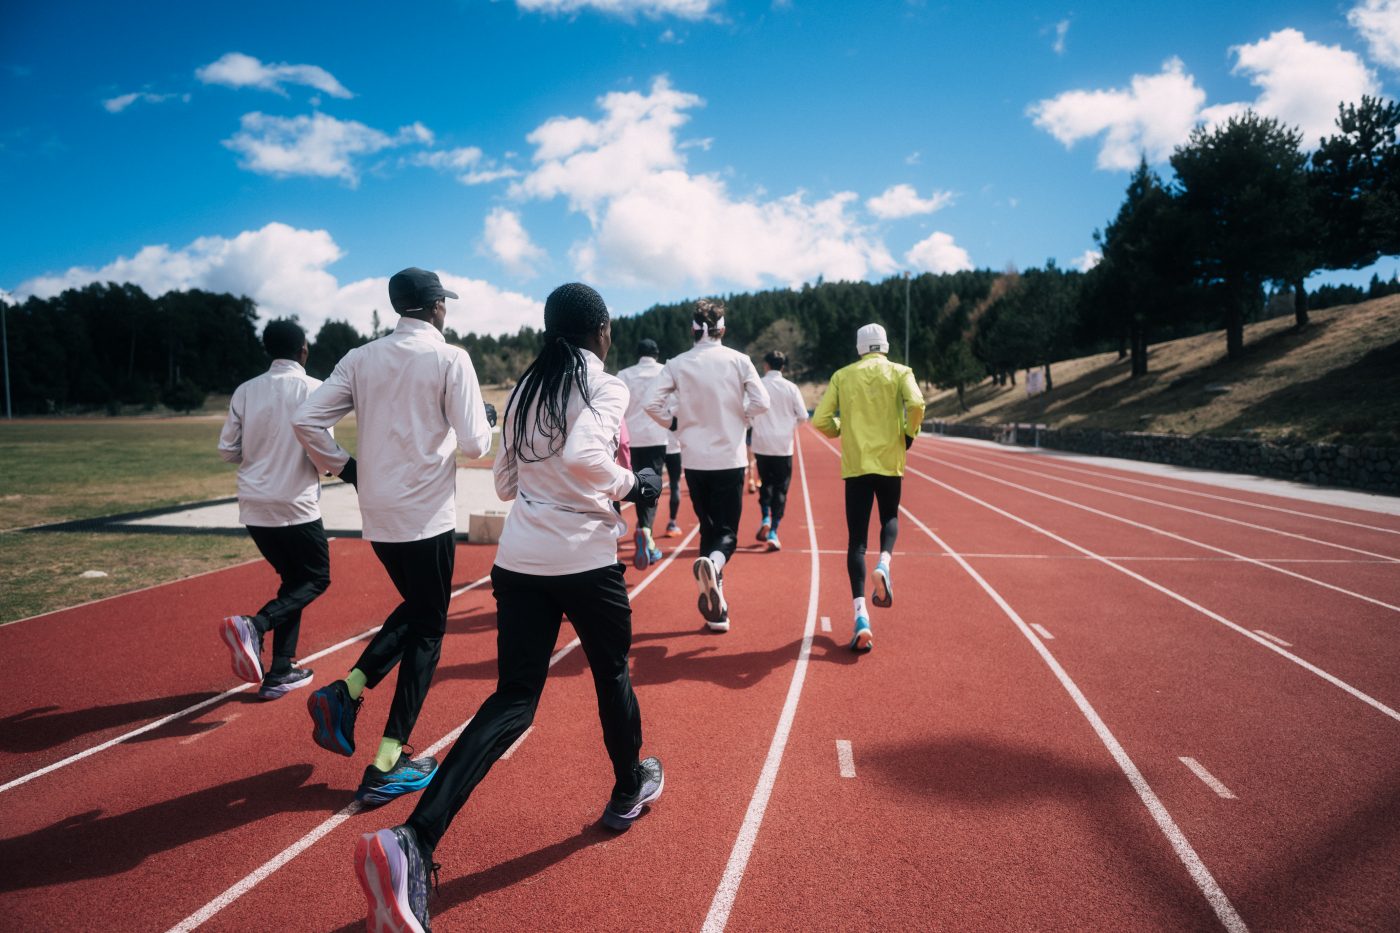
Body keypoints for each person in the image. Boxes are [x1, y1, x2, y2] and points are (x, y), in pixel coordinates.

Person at [353, 282, 664, 932]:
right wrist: (632, 484)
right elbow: (586, 455)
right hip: (584, 557)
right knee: (611, 672)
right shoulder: (605, 386)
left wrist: (552, 486)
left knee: (513, 699)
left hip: (520, 559)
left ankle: (414, 838)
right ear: (600, 329)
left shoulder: (525, 389)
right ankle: (627, 784)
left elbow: (503, 481)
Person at [293, 267, 495, 806]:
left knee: (419, 609)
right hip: (426, 514)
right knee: (429, 628)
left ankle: (347, 692)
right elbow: (476, 444)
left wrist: (346, 467)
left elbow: (307, 420)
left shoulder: (360, 358)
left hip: (378, 511)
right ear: (435, 306)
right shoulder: (451, 357)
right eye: (444, 303)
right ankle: (386, 761)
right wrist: (483, 418)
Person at [216, 320, 327, 700]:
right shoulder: (314, 388)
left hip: (253, 505)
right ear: (303, 350)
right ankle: (255, 624)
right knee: (316, 578)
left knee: (294, 581)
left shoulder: (246, 390)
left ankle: (281, 669)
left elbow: (228, 450)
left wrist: (261, 455)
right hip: (295, 503)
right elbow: (322, 452)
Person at [645, 298, 770, 632]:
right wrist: (742, 418)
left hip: (695, 460)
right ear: (722, 330)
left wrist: (673, 424)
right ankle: (714, 568)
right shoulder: (739, 361)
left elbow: (650, 403)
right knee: (726, 534)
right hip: (729, 457)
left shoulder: (677, 364)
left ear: (693, 330)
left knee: (708, 529)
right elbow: (762, 402)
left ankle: (718, 611)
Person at [812, 323, 924, 653]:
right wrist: (908, 434)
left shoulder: (842, 376)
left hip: (857, 464)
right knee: (890, 517)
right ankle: (884, 564)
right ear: (885, 345)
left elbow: (820, 420)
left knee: (856, 542)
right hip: (890, 461)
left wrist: (841, 429)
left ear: (859, 346)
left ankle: (861, 616)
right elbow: (917, 404)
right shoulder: (901, 372)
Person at [749, 350, 809, 552]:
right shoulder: (791, 388)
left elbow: (747, 411)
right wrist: (788, 427)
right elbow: (803, 416)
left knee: (765, 483)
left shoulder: (758, 385)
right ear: (782, 367)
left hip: (761, 444)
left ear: (766, 365)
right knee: (780, 489)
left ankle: (765, 517)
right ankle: (774, 531)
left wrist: (756, 425)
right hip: (783, 446)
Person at [617, 338, 668, 569]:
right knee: (652, 486)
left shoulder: (624, 375)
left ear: (637, 354)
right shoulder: (665, 371)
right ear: (656, 354)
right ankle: (646, 531)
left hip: (630, 437)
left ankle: (640, 530)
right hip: (656, 437)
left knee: (635, 484)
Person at [662, 430, 683, 537]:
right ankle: (672, 523)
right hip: (674, 450)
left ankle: (644, 525)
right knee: (675, 486)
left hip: (656, 448)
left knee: (649, 485)